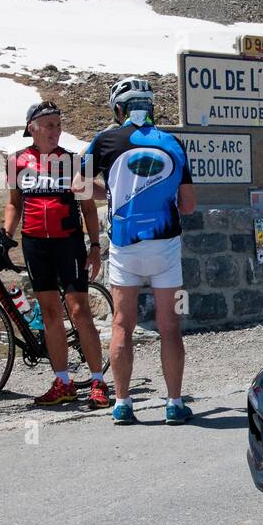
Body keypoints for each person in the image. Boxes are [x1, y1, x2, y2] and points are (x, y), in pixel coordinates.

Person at [75, 78, 197, 425]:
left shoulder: (105, 140)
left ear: (119, 109)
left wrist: (113, 193)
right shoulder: (174, 142)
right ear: (151, 106)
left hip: (125, 246)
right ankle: (174, 403)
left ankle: (123, 404)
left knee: (121, 325)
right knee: (169, 326)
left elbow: (77, 185)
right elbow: (187, 205)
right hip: (166, 247)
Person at [5, 101, 108, 409]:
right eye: (48, 124)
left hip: (69, 244)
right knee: (50, 314)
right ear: (31, 129)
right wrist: (4, 236)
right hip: (35, 244)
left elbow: (88, 207)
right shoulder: (16, 162)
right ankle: (63, 382)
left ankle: (98, 382)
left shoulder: (74, 162)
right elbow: (14, 204)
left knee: (79, 312)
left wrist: (94, 248)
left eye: (58, 124)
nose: (55, 130)